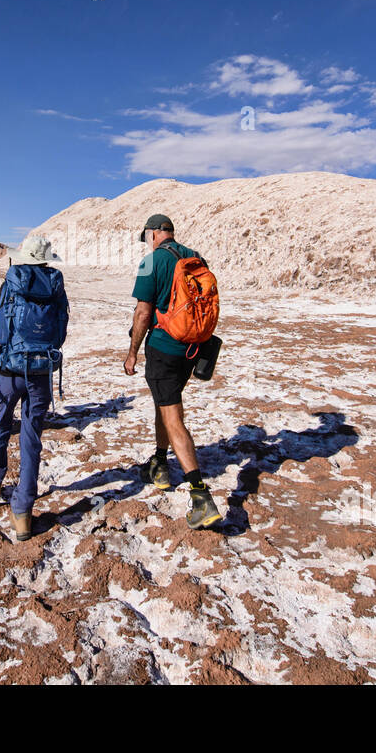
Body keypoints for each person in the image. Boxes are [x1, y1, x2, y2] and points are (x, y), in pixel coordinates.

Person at [123, 214, 223, 529]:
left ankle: (200, 494)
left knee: (172, 416)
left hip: (164, 349)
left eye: (147, 236)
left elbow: (143, 313)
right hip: (193, 349)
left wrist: (132, 353)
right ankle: (160, 463)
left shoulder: (153, 262)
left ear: (153, 233)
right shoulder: (196, 256)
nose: (148, 242)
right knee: (165, 403)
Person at [0, 236, 69, 541]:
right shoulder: (56, 285)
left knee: (2, 424)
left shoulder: (12, 282)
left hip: (10, 369)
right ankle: (23, 513)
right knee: (31, 439)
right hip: (41, 371)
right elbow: (62, 328)